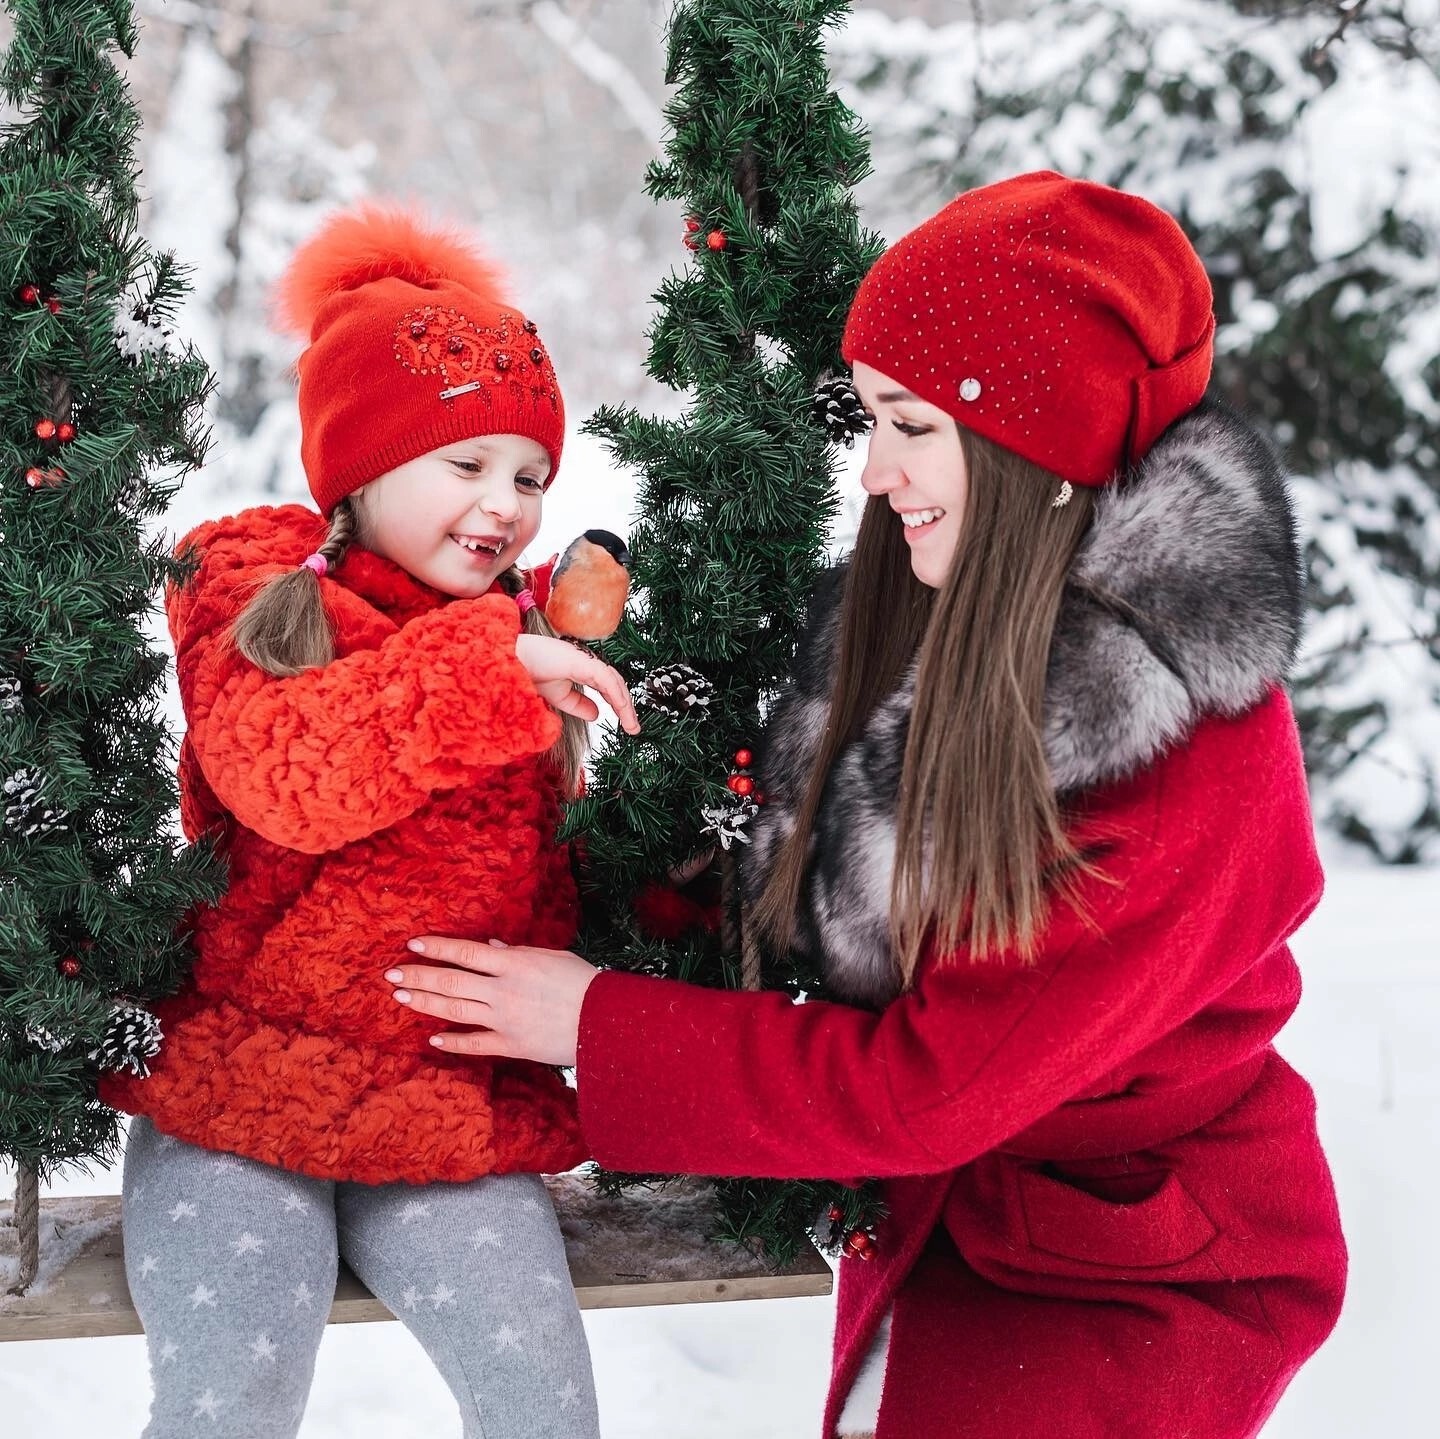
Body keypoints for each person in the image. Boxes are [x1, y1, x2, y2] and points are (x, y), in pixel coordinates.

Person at [388, 172, 1349, 1439]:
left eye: (911, 423)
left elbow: (929, 1084)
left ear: (1034, 441)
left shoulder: (1171, 757)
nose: (877, 466)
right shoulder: (949, 608)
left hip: (1136, 1276)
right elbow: (832, 876)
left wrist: (600, 1022)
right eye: (873, 419)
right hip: (975, 1218)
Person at [100, 203, 638, 1439]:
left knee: (545, 1405)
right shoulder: (256, 586)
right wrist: (500, 671)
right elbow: (291, 771)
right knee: (230, 1396)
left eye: (530, 476)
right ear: (362, 465)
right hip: (236, 1096)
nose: (504, 505)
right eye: (466, 465)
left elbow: (566, 870)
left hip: (439, 1109)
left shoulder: (536, 637)